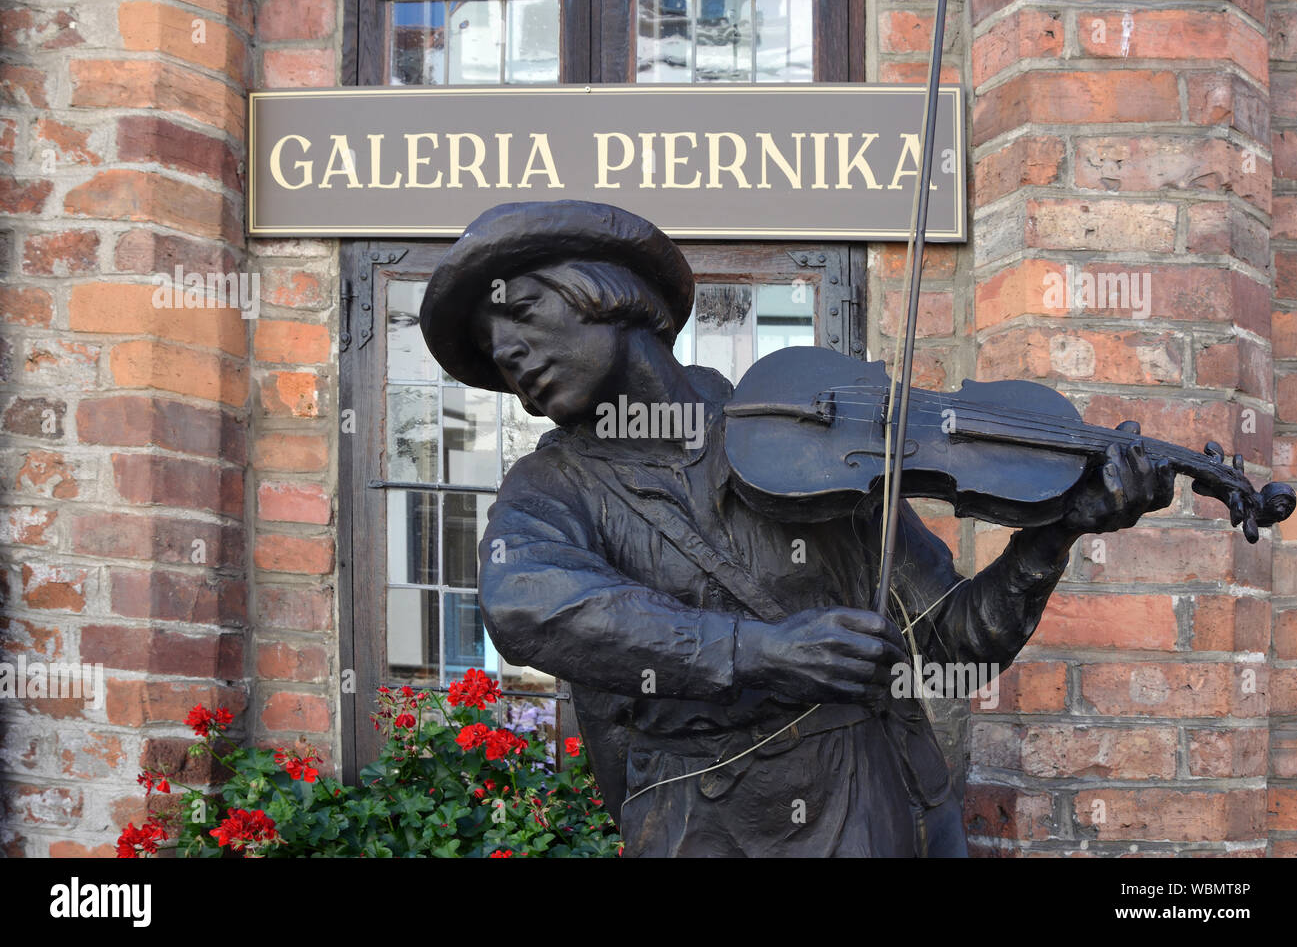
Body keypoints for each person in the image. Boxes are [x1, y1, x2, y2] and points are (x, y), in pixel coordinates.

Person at [419, 200, 1175, 857]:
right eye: (493, 349)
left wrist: (1050, 538)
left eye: (520, 314)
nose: (510, 355)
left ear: (609, 295)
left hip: (861, 805)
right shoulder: (549, 487)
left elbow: (952, 648)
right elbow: (527, 602)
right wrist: (765, 652)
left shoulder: (809, 443)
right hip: (691, 822)